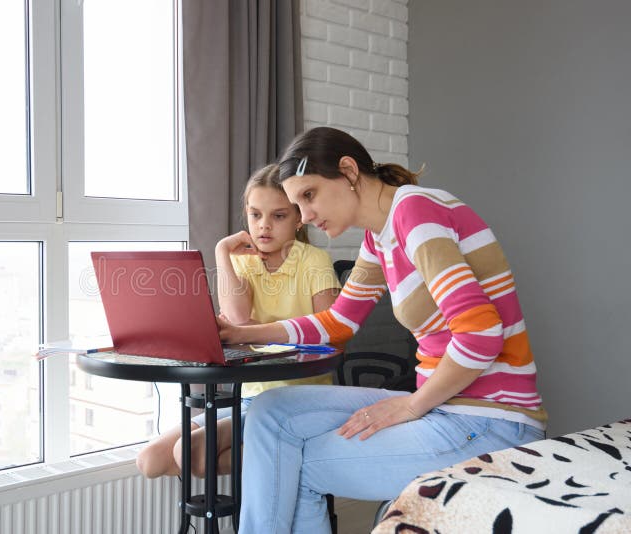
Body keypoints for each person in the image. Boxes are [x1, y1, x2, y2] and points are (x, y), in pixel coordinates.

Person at [218, 127, 548, 533]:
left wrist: (411, 406)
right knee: (270, 412)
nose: (305, 217)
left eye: (309, 195)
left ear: (348, 171)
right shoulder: (380, 236)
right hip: (448, 407)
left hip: (489, 419)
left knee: (299, 463)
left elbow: (480, 335)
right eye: (297, 204)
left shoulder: (414, 210)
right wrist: (243, 333)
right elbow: (338, 323)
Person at [135, 163, 340, 479]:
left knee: (194, 455)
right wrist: (222, 251)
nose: (264, 226)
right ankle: (287, 453)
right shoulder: (244, 260)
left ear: (299, 218)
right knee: (151, 460)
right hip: (250, 395)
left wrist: (250, 331)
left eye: (279, 216)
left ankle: (298, 455)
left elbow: (330, 335)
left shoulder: (314, 260)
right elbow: (238, 318)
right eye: (255, 215)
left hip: (297, 397)